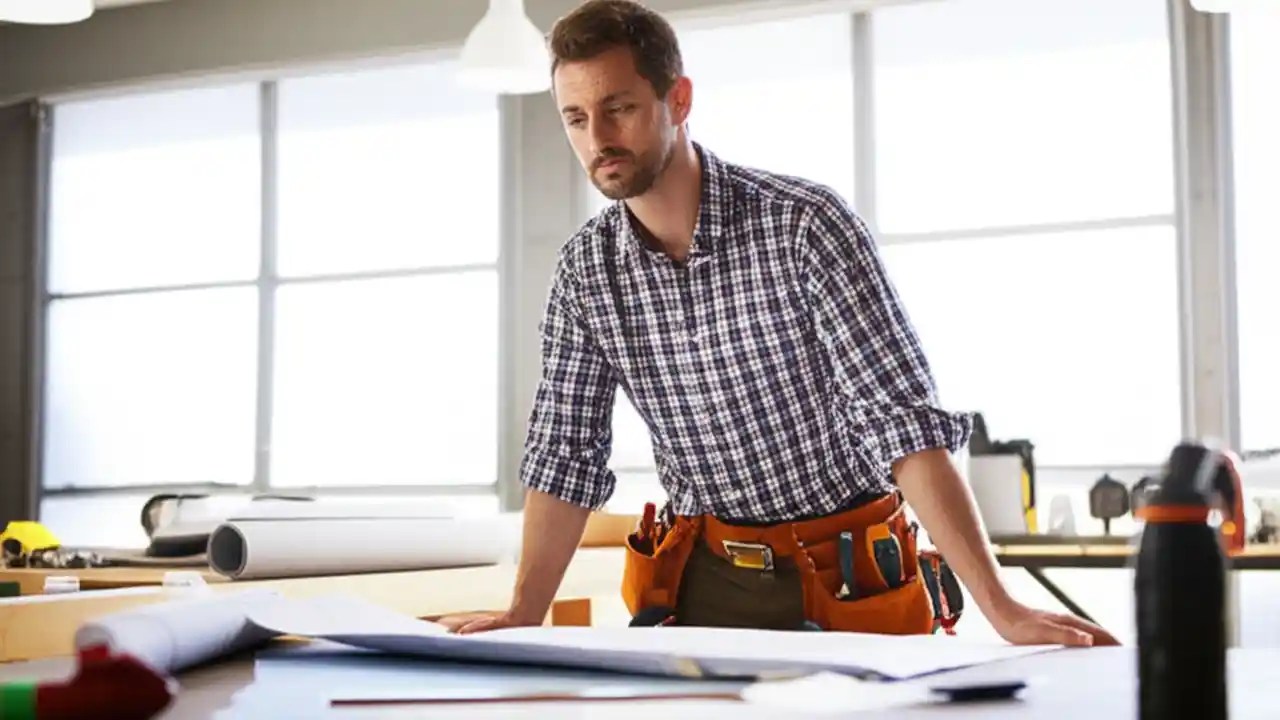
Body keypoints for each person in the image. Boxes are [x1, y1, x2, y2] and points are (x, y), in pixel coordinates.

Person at [440, 0, 1118, 646]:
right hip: (702, 584)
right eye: (577, 118)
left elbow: (905, 427)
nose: (599, 138)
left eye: (619, 109)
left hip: (852, 576)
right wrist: (523, 612)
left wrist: (1001, 607)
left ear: (678, 101)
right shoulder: (585, 272)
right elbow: (565, 453)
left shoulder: (804, 225)